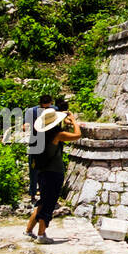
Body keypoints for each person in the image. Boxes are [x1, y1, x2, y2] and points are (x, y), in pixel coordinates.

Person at [23, 102, 81, 244]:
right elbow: (77, 135)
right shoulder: (58, 135)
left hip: (42, 172)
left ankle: (28, 231)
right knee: (48, 204)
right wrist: (73, 121)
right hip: (53, 173)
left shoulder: (41, 134)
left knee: (42, 202)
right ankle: (41, 234)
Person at [23, 94, 54, 205]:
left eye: (48, 107)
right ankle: (33, 194)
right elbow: (25, 126)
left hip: (47, 145)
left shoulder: (53, 110)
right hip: (36, 144)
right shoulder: (31, 111)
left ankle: (43, 194)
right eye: (44, 107)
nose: (46, 109)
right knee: (34, 170)